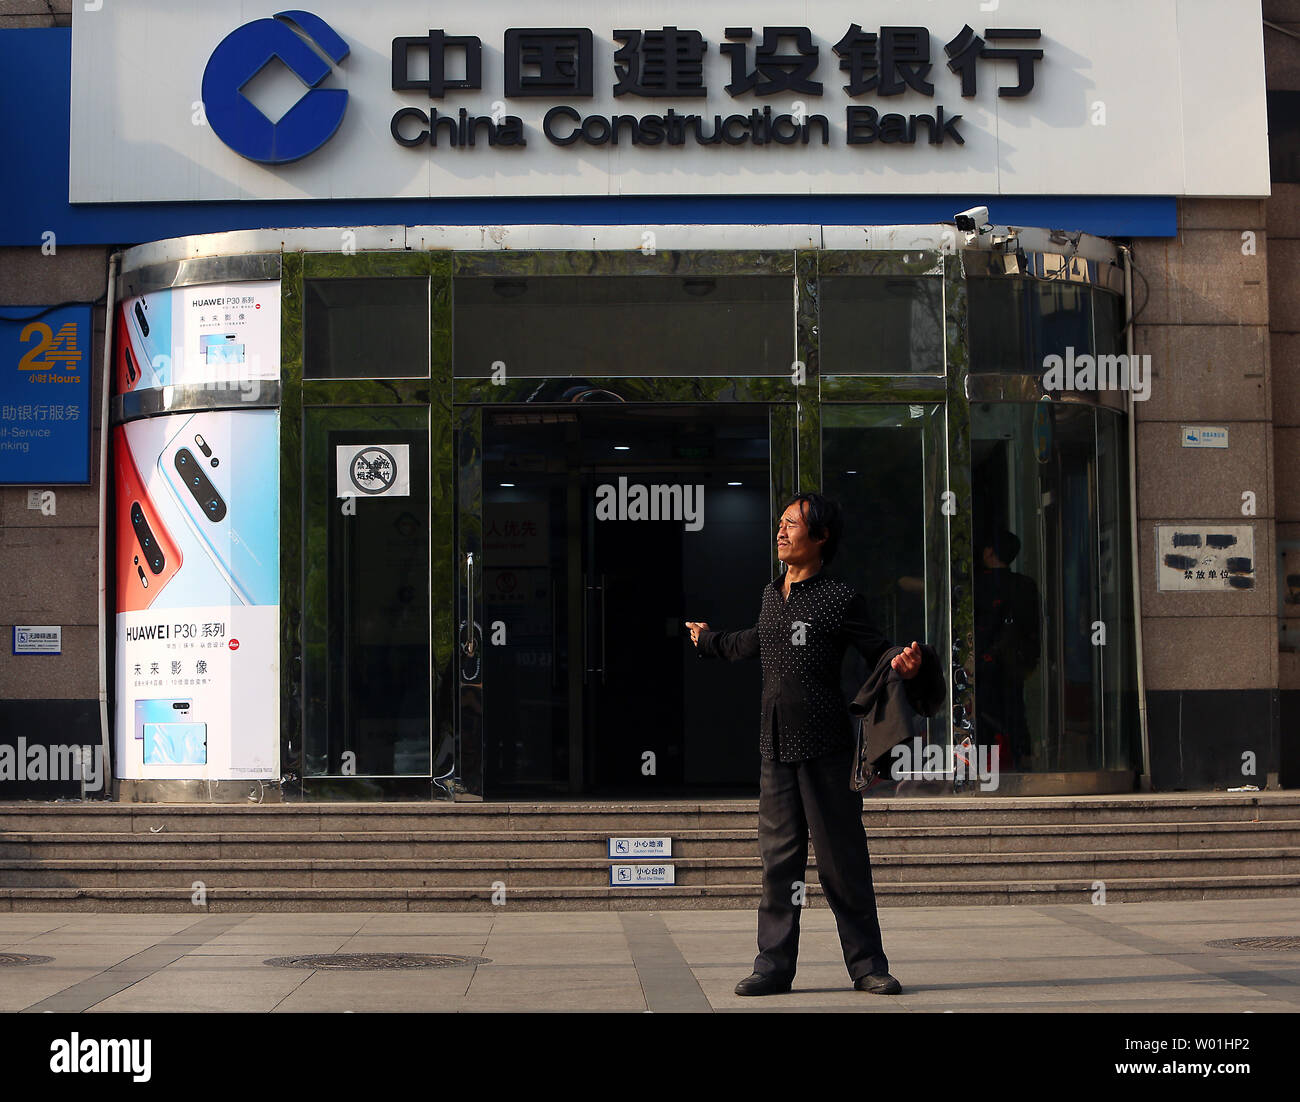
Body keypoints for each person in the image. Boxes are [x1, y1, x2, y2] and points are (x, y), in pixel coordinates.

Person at [685, 492, 926, 997]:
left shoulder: (840, 597)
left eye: (793, 524)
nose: (782, 531)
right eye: (780, 523)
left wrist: (903, 664)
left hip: (825, 747)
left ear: (820, 538)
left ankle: (867, 966)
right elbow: (753, 640)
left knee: (842, 863)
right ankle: (773, 966)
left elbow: (878, 650)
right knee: (779, 864)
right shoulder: (773, 593)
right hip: (775, 749)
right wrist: (709, 640)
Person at [973, 529, 1041, 770]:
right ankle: (1022, 758)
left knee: (982, 712)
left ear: (990, 552)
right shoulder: (1025, 585)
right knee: (1014, 710)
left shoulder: (978, 585)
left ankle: (984, 765)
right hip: (1014, 662)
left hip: (984, 661)